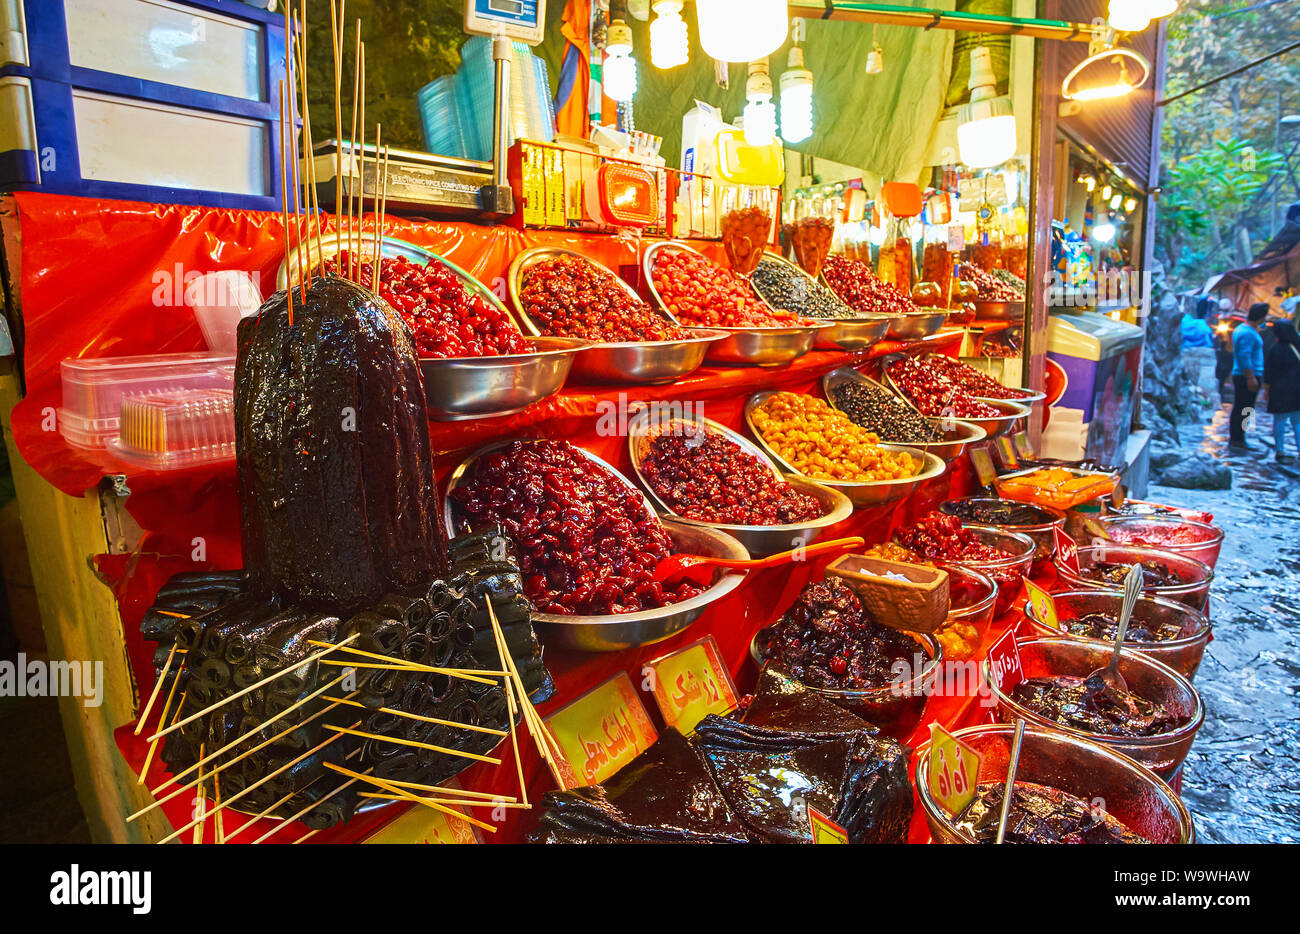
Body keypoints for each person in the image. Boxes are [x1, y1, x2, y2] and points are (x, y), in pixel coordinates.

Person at [1229, 302, 1269, 452]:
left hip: (1242, 374)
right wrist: (1250, 377)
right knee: (1246, 408)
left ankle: (1237, 438)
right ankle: (1239, 439)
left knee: (1241, 406)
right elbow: (1244, 355)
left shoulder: (1242, 329)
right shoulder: (1248, 333)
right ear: (1261, 316)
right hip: (1248, 375)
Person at [1265, 319, 1300, 463]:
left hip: (1279, 390)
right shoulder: (1297, 347)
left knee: (1279, 420)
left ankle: (1280, 449)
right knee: (1297, 422)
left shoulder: (1275, 349)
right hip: (1297, 389)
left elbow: (1269, 372)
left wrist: (1266, 390)